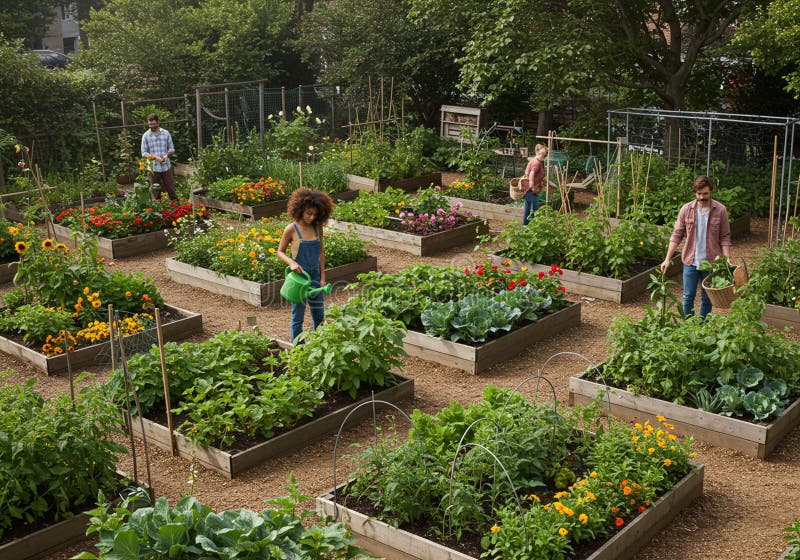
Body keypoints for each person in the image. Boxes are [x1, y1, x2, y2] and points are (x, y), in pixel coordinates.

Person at [659, 175, 731, 318]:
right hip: (690, 261)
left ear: (711, 191)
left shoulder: (720, 210)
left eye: (705, 193)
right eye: (699, 194)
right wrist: (667, 259)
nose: (702, 197)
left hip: (711, 263)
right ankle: (688, 326)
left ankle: (703, 327)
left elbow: (725, 237)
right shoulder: (686, 210)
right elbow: (676, 235)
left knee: (707, 298)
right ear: (695, 193)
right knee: (688, 296)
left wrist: (727, 259)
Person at [277, 188, 335, 343]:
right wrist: (292, 262)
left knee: (319, 315)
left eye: (315, 214)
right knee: (298, 317)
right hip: (299, 279)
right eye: (309, 213)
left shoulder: (317, 227)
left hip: (315, 276)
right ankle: (298, 349)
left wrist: (323, 276)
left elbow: (321, 253)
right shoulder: (291, 229)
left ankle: (318, 345)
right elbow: (280, 252)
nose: (312, 217)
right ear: (300, 210)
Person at [140, 113, 177, 200]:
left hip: (166, 166)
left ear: (158, 122)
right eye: (150, 124)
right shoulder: (145, 136)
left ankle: (176, 207)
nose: (151, 126)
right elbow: (144, 153)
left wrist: (166, 155)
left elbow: (172, 149)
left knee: (170, 188)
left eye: (153, 124)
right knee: (155, 190)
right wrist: (156, 158)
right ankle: (158, 209)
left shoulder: (166, 133)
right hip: (152, 167)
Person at [522, 144, 547, 225]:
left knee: (528, 209)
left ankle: (526, 226)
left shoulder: (539, 161)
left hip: (529, 188)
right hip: (530, 189)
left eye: (545, 154)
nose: (543, 156)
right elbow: (531, 174)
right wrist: (532, 186)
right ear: (537, 151)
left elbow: (538, 175)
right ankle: (532, 227)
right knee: (535, 209)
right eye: (541, 153)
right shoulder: (536, 162)